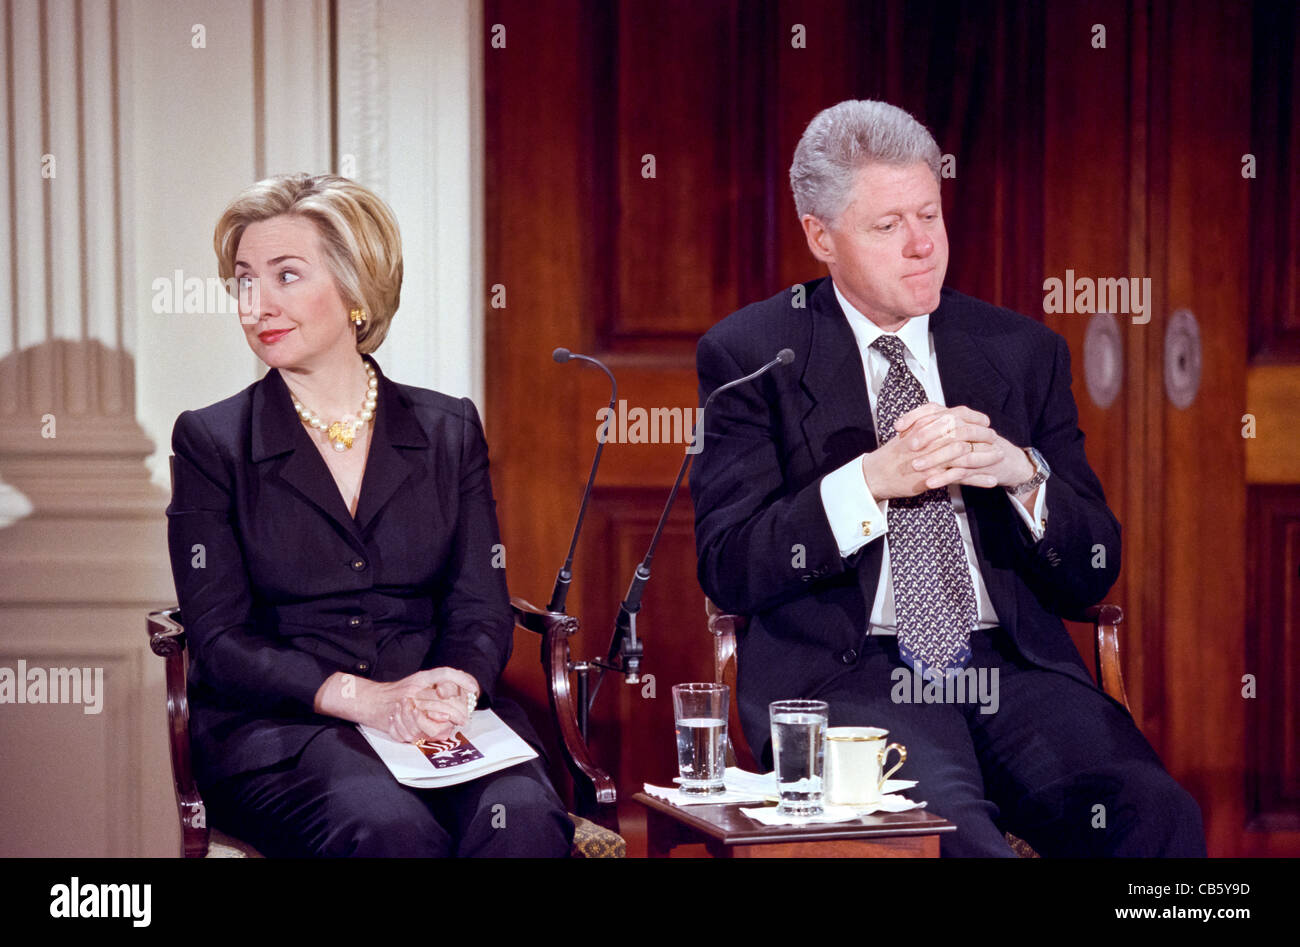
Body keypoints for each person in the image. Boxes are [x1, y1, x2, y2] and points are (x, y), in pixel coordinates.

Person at [690, 100, 1205, 857]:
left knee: (1156, 813)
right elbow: (729, 564)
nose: (922, 244)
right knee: (952, 841)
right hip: (852, 674)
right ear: (820, 236)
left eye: (928, 212)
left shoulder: (1022, 350)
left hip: (1010, 664)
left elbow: (1093, 567)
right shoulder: (751, 356)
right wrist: (868, 482)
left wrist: (1021, 474)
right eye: (888, 225)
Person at [165, 172, 573, 857]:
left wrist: (455, 682)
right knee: (389, 829)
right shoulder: (211, 441)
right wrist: (364, 700)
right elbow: (220, 638)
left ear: (356, 288)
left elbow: (479, 602)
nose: (256, 303)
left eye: (286, 275)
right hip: (287, 731)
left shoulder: (449, 429)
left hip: (436, 719)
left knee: (523, 816)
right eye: (243, 280)